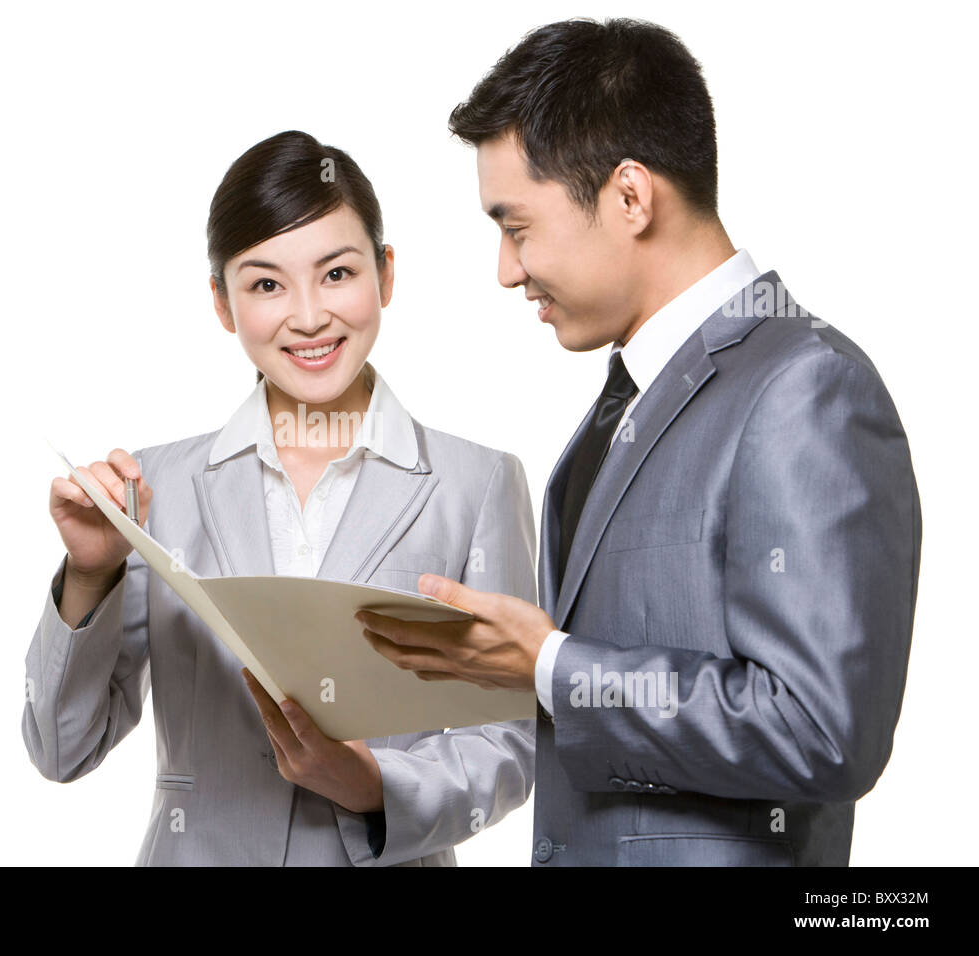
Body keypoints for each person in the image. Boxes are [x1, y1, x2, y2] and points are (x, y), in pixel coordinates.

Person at [358, 18, 921, 866]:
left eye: (516, 228)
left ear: (630, 197)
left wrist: (551, 666)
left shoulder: (806, 388)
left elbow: (822, 728)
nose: (506, 271)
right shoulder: (624, 401)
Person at [21, 130, 537, 866]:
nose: (308, 316)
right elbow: (59, 750)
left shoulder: (477, 484)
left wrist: (373, 786)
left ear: (386, 275)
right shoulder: (151, 488)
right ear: (222, 304)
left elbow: (509, 741)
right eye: (265, 284)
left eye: (336, 273)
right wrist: (90, 576)